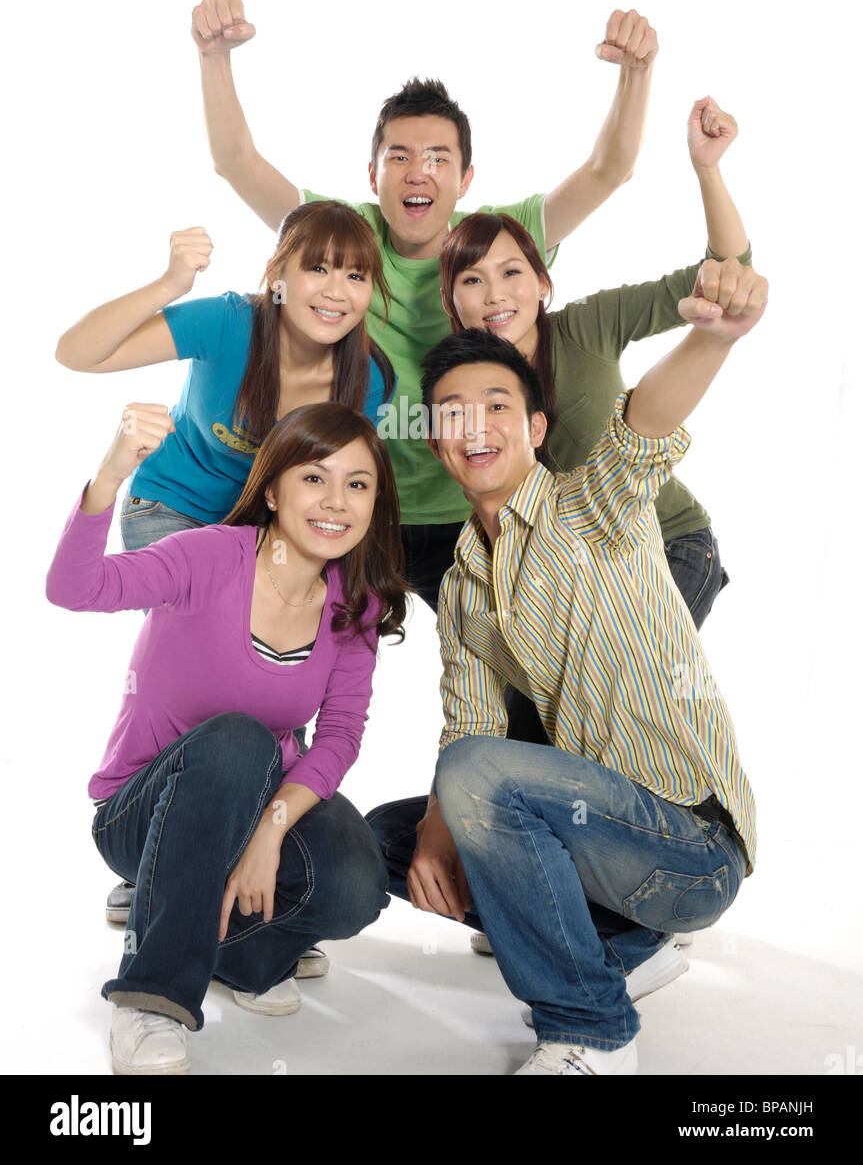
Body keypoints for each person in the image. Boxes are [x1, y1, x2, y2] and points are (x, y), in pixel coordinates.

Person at [366, 258, 766, 1076]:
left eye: (496, 405)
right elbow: (469, 724)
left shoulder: (593, 505)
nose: (473, 424)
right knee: (387, 839)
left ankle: (590, 1027)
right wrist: (436, 837)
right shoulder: (463, 581)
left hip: (689, 850)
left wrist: (711, 339)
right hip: (593, 844)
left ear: (536, 428)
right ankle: (623, 947)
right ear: (432, 435)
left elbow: (642, 426)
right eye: (450, 411)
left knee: (480, 776)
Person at [191, 0, 659, 609]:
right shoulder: (339, 237)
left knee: (522, 674)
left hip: (471, 504)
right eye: (400, 157)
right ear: (373, 175)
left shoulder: (496, 242)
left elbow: (609, 168)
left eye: (439, 159)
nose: (419, 172)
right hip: (355, 508)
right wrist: (214, 57)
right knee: (286, 646)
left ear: (464, 180)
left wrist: (636, 72)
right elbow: (237, 162)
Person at [46, 400, 407, 1075]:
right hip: (142, 815)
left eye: (357, 484)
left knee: (357, 881)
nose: (336, 502)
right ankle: (152, 999)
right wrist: (110, 474)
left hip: (252, 811)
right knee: (240, 738)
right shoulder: (206, 556)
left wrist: (271, 830)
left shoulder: (356, 603)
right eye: (313, 479)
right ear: (271, 491)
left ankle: (243, 957)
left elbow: (339, 736)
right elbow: (75, 588)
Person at [437, 96, 751, 636]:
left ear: (541, 284)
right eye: (472, 280)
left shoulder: (587, 326)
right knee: (541, 714)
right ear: (453, 304)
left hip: (670, 547)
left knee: (620, 688)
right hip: (577, 577)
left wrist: (708, 169)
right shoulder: (460, 392)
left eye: (512, 272)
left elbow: (724, 276)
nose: (495, 295)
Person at [55, 199, 395, 549]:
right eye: (318, 269)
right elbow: (75, 353)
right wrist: (169, 285)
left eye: (355, 276)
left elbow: (342, 486)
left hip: (268, 531)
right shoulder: (227, 323)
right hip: (172, 509)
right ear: (277, 277)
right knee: (198, 604)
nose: (336, 292)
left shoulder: (371, 379)